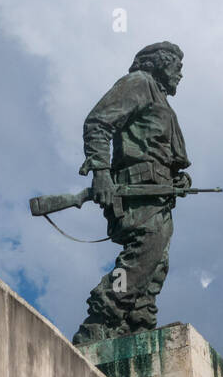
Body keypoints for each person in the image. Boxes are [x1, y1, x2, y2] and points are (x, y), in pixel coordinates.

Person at [72, 41, 192, 343]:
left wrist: (178, 178)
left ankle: (137, 324)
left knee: (157, 264)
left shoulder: (161, 100)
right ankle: (99, 320)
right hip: (134, 191)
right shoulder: (138, 83)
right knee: (143, 256)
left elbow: (161, 152)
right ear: (158, 63)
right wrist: (100, 171)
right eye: (176, 65)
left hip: (159, 194)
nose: (180, 73)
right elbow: (98, 122)